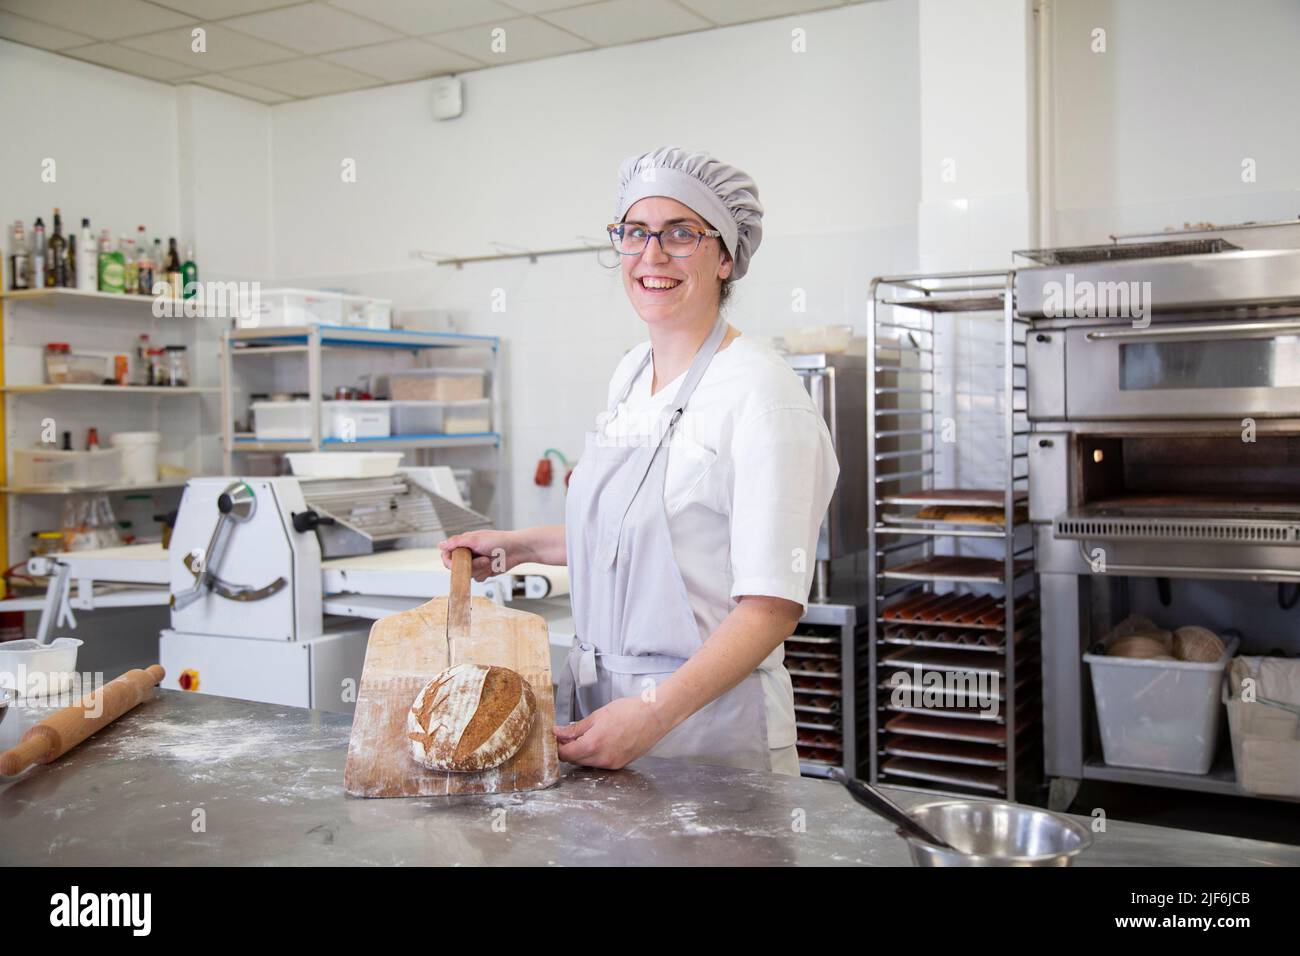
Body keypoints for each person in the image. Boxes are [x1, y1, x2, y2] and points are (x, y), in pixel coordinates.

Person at [441, 146, 838, 774]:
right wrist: (523, 545)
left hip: (708, 736)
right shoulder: (631, 374)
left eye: (681, 233)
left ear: (726, 257)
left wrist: (652, 713)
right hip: (601, 717)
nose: (652, 256)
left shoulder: (763, 397)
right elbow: (643, 537)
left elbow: (772, 607)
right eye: (634, 232)